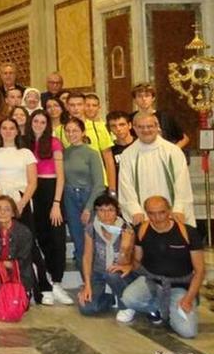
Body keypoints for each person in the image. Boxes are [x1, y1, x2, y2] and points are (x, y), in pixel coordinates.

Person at [0, 118, 50, 303]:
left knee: (30, 244)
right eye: (4, 128)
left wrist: (20, 204)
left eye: (11, 128)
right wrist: (1, 204)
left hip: (21, 200)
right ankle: (1, 289)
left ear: (17, 131)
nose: (8, 131)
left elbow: (32, 182)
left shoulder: (26, 153)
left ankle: (42, 288)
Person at [121, 196, 204, 338]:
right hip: (151, 281)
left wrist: (188, 298)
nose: (157, 218)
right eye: (152, 213)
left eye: (162, 212)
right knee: (128, 299)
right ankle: (160, 309)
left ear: (169, 211)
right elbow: (136, 262)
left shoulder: (188, 233)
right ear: (147, 213)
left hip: (180, 286)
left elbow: (200, 271)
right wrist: (126, 249)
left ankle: (168, 310)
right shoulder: (141, 230)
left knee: (188, 332)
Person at [24, 110, 71, 305]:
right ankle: (44, 284)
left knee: (56, 239)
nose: (39, 125)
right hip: (31, 191)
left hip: (51, 191)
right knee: (38, 237)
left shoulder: (54, 143)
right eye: (35, 121)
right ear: (30, 122)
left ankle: (57, 282)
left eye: (43, 122)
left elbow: (61, 176)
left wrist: (56, 203)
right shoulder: (24, 143)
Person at [118, 113, 195, 225]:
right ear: (134, 128)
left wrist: (179, 208)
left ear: (157, 126)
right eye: (141, 127)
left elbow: (182, 182)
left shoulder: (172, 151)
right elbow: (126, 185)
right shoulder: (128, 154)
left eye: (150, 126)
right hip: (142, 215)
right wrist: (134, 210)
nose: (146, 130)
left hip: (172, 213)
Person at [77, 194, 136, 322]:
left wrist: (124, 247)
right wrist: (87, 285)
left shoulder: (126, 229)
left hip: (119, 273)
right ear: (96, 212)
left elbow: (126, 263)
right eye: (101, 210)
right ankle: (111, 298)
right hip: (99, 273)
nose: (106, 214)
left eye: (110, 210)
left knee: (112, 274)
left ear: (117, 212)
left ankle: (126, 305)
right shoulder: (92, 228)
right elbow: (87, 257)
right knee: (87, 308)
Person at [62, 116, 105, 273]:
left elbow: (99, 184)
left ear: (83, 132)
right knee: (78, 240)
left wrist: (88, 207)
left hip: (88, 197)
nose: (71, 134)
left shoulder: (92, 153)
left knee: (92, 240)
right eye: (68, 131)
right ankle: (86, 280)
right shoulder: (63, 153)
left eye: (75, 130)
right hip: (70, 198)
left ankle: (96, 280)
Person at [0, 196, 35, 312]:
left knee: (14, 307)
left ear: (13, 213)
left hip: (19, 276)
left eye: (7, 209)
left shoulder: (24, 232)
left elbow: (22, 262)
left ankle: (22, 295)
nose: (2, 212)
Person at [61, 92, 116, 195]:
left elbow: (108, 159)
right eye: (72, 105)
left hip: (98, 184)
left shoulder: (98, 127)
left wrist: (112, 190)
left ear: (85, 106)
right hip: (72, 187)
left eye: (79, 104)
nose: (76, 108)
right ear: (67, 107)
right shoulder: (60, 130)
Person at [130, 82, 189, 151]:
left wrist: (172, 151)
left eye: (147, 96)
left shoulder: (165, 117)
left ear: (153, 98)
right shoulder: (130, 119)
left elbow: (184, 139)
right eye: (140, 96)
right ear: (135, 100)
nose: (144, 99)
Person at [106, 110, 135, 177]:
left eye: (122, 125)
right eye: (113, 126)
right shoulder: (109, 151)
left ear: (130, 125)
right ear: (109, 129)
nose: (118, 129)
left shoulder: (140, 144)